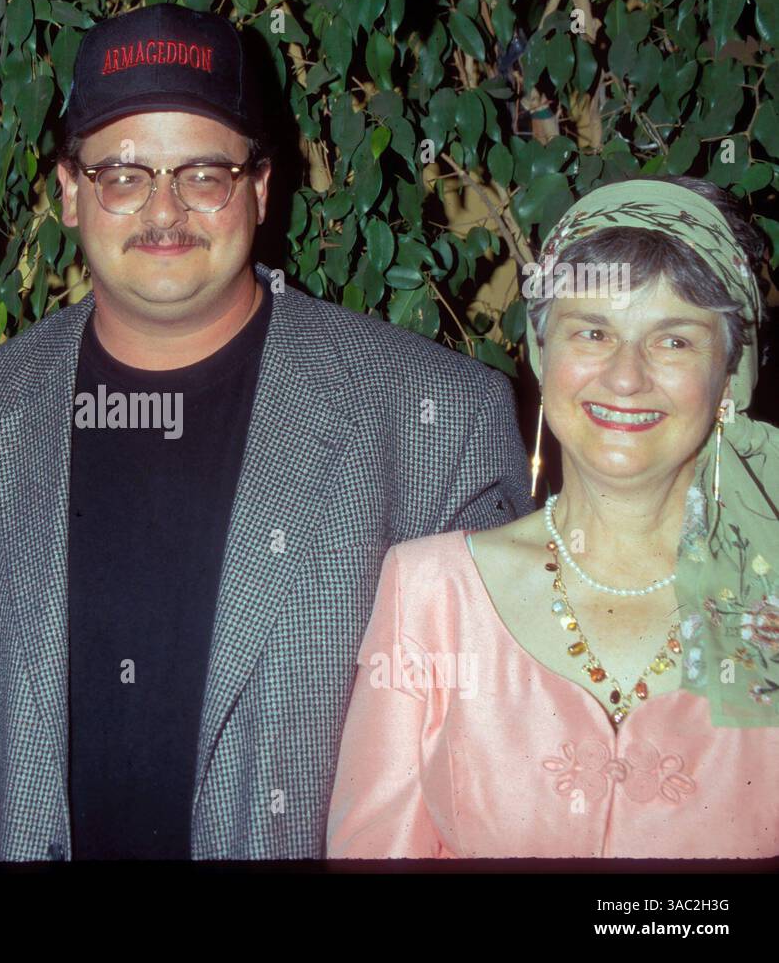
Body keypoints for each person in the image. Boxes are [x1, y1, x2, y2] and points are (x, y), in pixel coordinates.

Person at [0, 3, 533, 861]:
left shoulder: (434, 418)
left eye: (204, 174)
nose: (164, 213)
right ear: (67, 191)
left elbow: (492, 761)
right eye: (123, 176)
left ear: (260, 188)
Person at [326, 176, 779, 859]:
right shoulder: (431, 593)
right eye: (592, 332)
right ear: (542, 355)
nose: (626, 377)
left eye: (675, 340)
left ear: (731, 377)